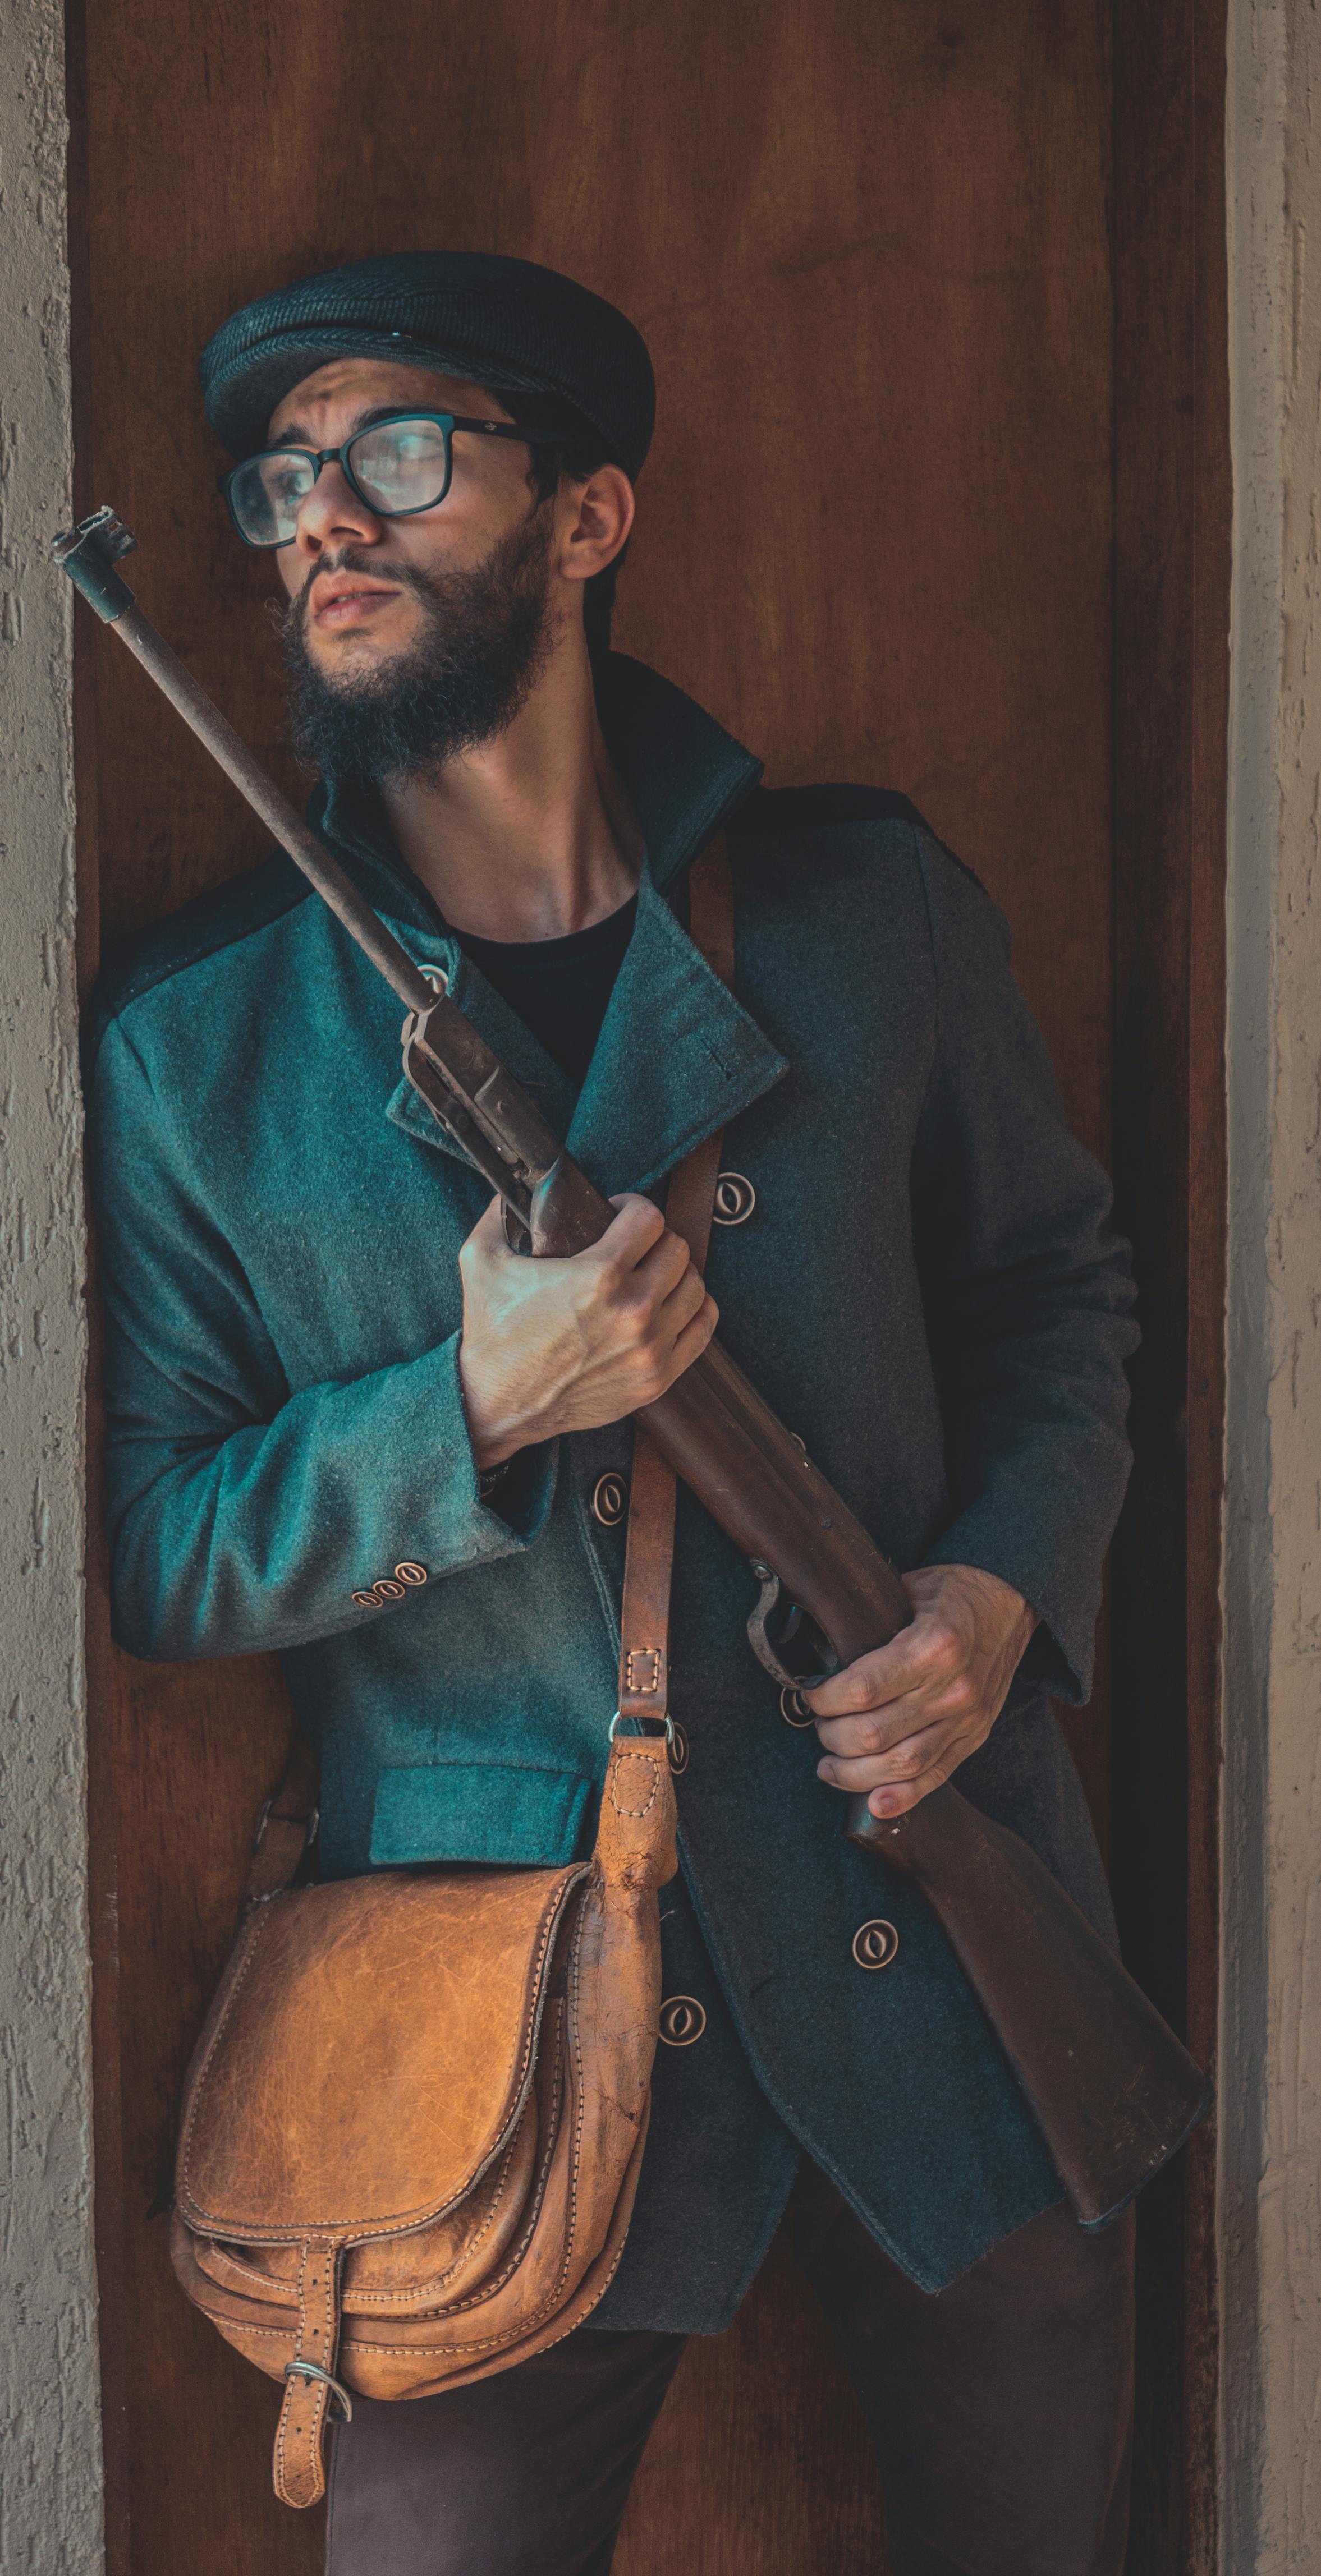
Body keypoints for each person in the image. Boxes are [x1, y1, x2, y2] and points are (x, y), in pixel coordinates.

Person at [86, 251, 1141, 2575]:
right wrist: (466, 1402)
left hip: (933, 1950)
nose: (317, 521)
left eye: (397, 453)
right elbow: (158, 1542)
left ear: (586, 512)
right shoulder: (195, 1052)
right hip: (484, 2041)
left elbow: (1056, 1302)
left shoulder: (876, 914)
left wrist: (989, 1599)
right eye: (282, 479)